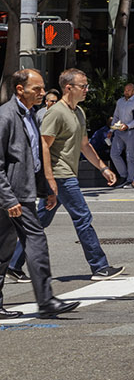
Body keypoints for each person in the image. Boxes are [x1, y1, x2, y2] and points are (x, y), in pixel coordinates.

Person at [0, 69, 78, 318]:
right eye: (37, 89)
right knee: (36, 240)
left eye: (43, 88)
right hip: (14, 197)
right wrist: (9, 199)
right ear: (20, 90)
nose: (43, 93)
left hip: (23, 192)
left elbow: (33, 155)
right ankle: (45, 301)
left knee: (3, 250)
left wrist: (45, 190)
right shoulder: (6, 117)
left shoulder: (30, 115)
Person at [33, 68, 123, 279]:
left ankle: (13, 265)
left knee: (40, 221)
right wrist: (48, 179)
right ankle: (99, 266)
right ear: (68, 88)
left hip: (65, 173)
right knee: (83, 217)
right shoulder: (55, 112)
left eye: (86, 86)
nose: (86, 90)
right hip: (60, 174)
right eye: (82, 86)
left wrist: (103, 167)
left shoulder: (78, 112)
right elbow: (43, 146)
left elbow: (85, 145)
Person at [110, 80, 134, 188]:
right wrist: (111, 130)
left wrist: (128, 125)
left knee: (130, 156)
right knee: (114, 154)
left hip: (131, 131)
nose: (126, 92)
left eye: (129, 90)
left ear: (133, 91)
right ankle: (123, 175)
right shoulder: (120, 101)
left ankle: (130, 180)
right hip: (119, 131)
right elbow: (116, 116)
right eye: (125, 90)